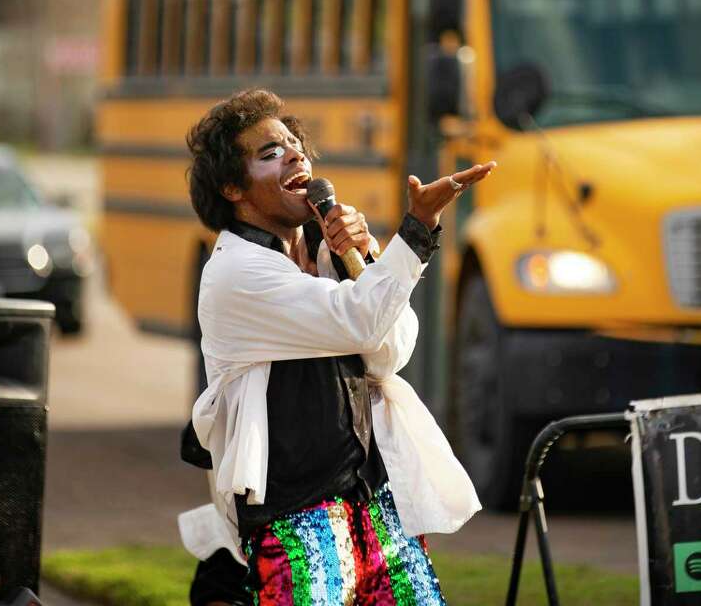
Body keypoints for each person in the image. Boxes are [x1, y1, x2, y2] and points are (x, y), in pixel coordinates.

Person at [186, 88, 494, 605]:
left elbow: (390, 348)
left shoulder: (320, 253)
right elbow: (359, 321)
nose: (294, 155)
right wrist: (416, 231)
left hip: (373, 503)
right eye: (270, 154)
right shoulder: (237, 272)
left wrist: (360, 254)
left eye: (294, 145)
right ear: (233, 187)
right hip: (297, 519)